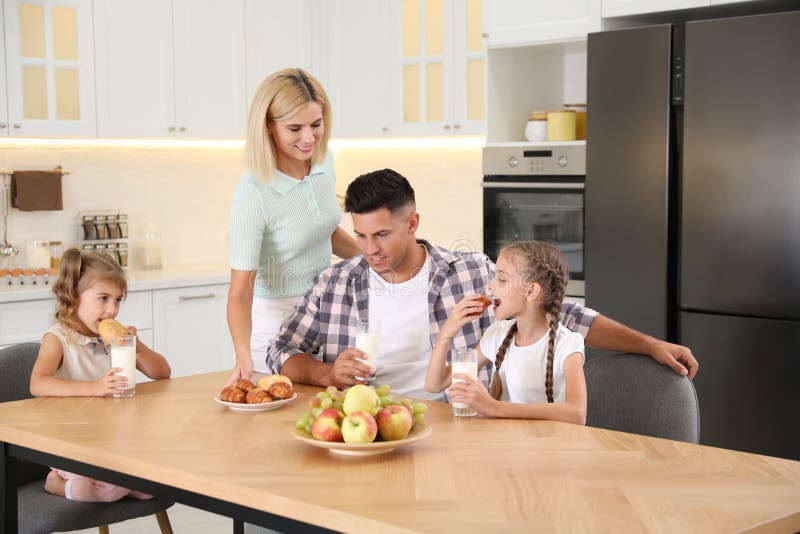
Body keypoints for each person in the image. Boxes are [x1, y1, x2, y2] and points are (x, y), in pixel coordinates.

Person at [265, 169, 698, 399]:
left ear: (412, 222)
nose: (369, 248)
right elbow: (280, 350)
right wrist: (325, 372)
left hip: (453, 425)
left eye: (382, 235)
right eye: (360, 235)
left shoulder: (468, 272)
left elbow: (557, 314)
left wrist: (649, 344)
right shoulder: (337, 282)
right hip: (364, 425)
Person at [227, 68, 359, 386]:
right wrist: (243, 355)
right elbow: (241, 291)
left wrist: (376, 257)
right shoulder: (254, 192)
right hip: (277, 321)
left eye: (316, 124)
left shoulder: (323, 161)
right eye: (295, 128)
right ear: (269, 127)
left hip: (325, 314)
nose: (308, 138)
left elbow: (325, 231)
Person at [30, 248, 171, 502]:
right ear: (74, 296)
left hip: (110, 437)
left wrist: (136, 345)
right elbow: (37, 384)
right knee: (101, 492)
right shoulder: (58, 338)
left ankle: (112, 483)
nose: (112, 309)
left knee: (152, 488)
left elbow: (162, 372)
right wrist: (94, 387)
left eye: (118, 300)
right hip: (70, 440)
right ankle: (57, 484)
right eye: (103, 298)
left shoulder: (114, 338)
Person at [426, 241, 586, 423]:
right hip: (503, 444)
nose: (490, 287)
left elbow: (577, 413)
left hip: (546, 446)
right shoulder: (498, 335)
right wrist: (447, 332)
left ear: (531, 290)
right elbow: (435, 384)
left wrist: (493, 407)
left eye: (501, 279)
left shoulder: (567, 345)